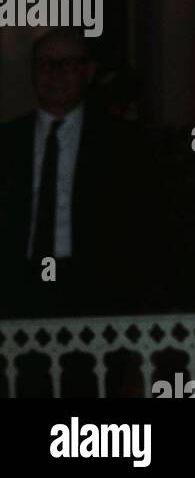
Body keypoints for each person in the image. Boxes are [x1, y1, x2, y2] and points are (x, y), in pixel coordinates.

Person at [0, 28, 154, 316]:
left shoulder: (124, 144)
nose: (55, 74)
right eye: (45, 64)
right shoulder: (7, 141)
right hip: (16, 292)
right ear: (33, 72)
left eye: (67, 64)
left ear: (89, 71)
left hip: (96, 293)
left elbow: (141, 224)